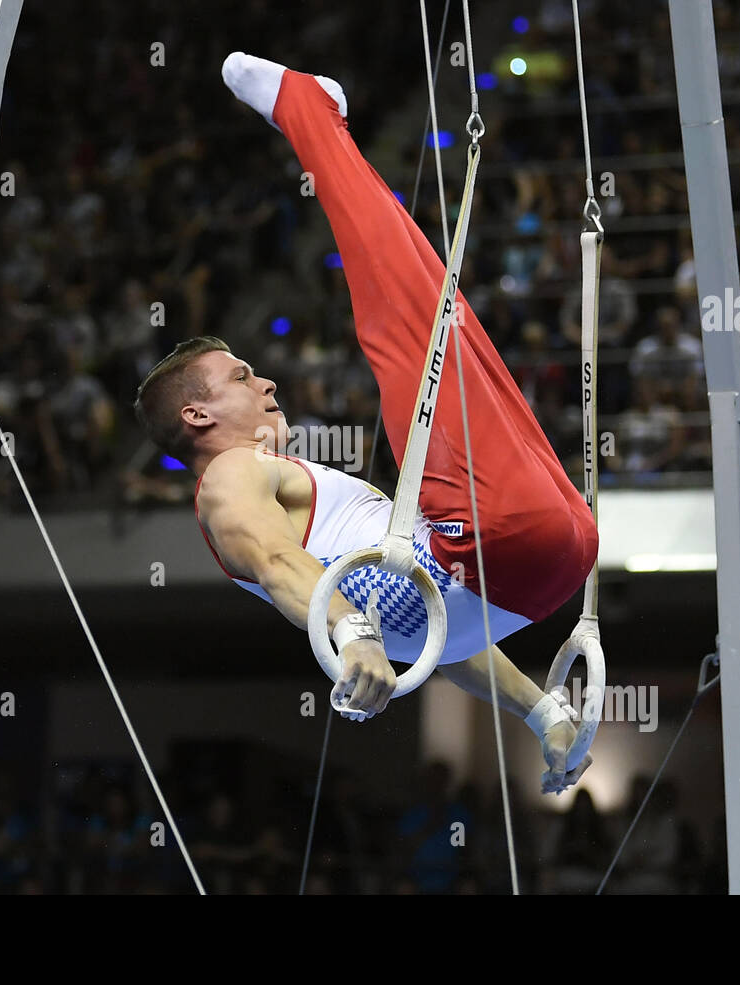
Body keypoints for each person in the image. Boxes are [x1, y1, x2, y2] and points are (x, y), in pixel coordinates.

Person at [133, 54, 598, 792]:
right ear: (197, 414)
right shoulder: (226, 483)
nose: (268, 380)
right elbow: (277, 562)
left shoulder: (306, 521)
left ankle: (323, 121)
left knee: (444, 322)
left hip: (536, 568)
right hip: (497, 546)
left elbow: (437, 639)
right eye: (242, 377)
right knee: (402, 316)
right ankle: (305, 110)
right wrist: (351, 638)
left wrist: (546, 714)